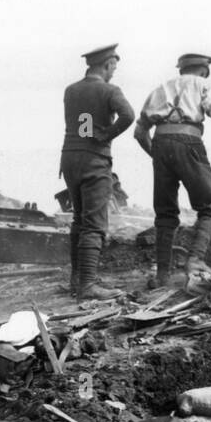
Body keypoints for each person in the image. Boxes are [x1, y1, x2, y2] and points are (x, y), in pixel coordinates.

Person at [134, 53, 211, 285]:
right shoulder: (202, 84)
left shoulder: (160, 88)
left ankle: (162, 274)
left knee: (165, 212)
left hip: (161, 143)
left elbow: (139, 132)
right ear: (203, 71)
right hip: (189, 142)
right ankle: (195, 260)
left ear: (181, 70)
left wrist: (157, 155)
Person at [61, 43, 135, 299]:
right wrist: (106, 134)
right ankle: (88, 285)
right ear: (107, 65)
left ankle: (76, 280)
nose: (114, 72)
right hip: (94, 159)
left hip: (70, 157)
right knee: (94, 224)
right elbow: (128, 115)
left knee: (79, 220)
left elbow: (79, 123)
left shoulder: (71, 90)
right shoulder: (110, 90)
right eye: (114, 67)